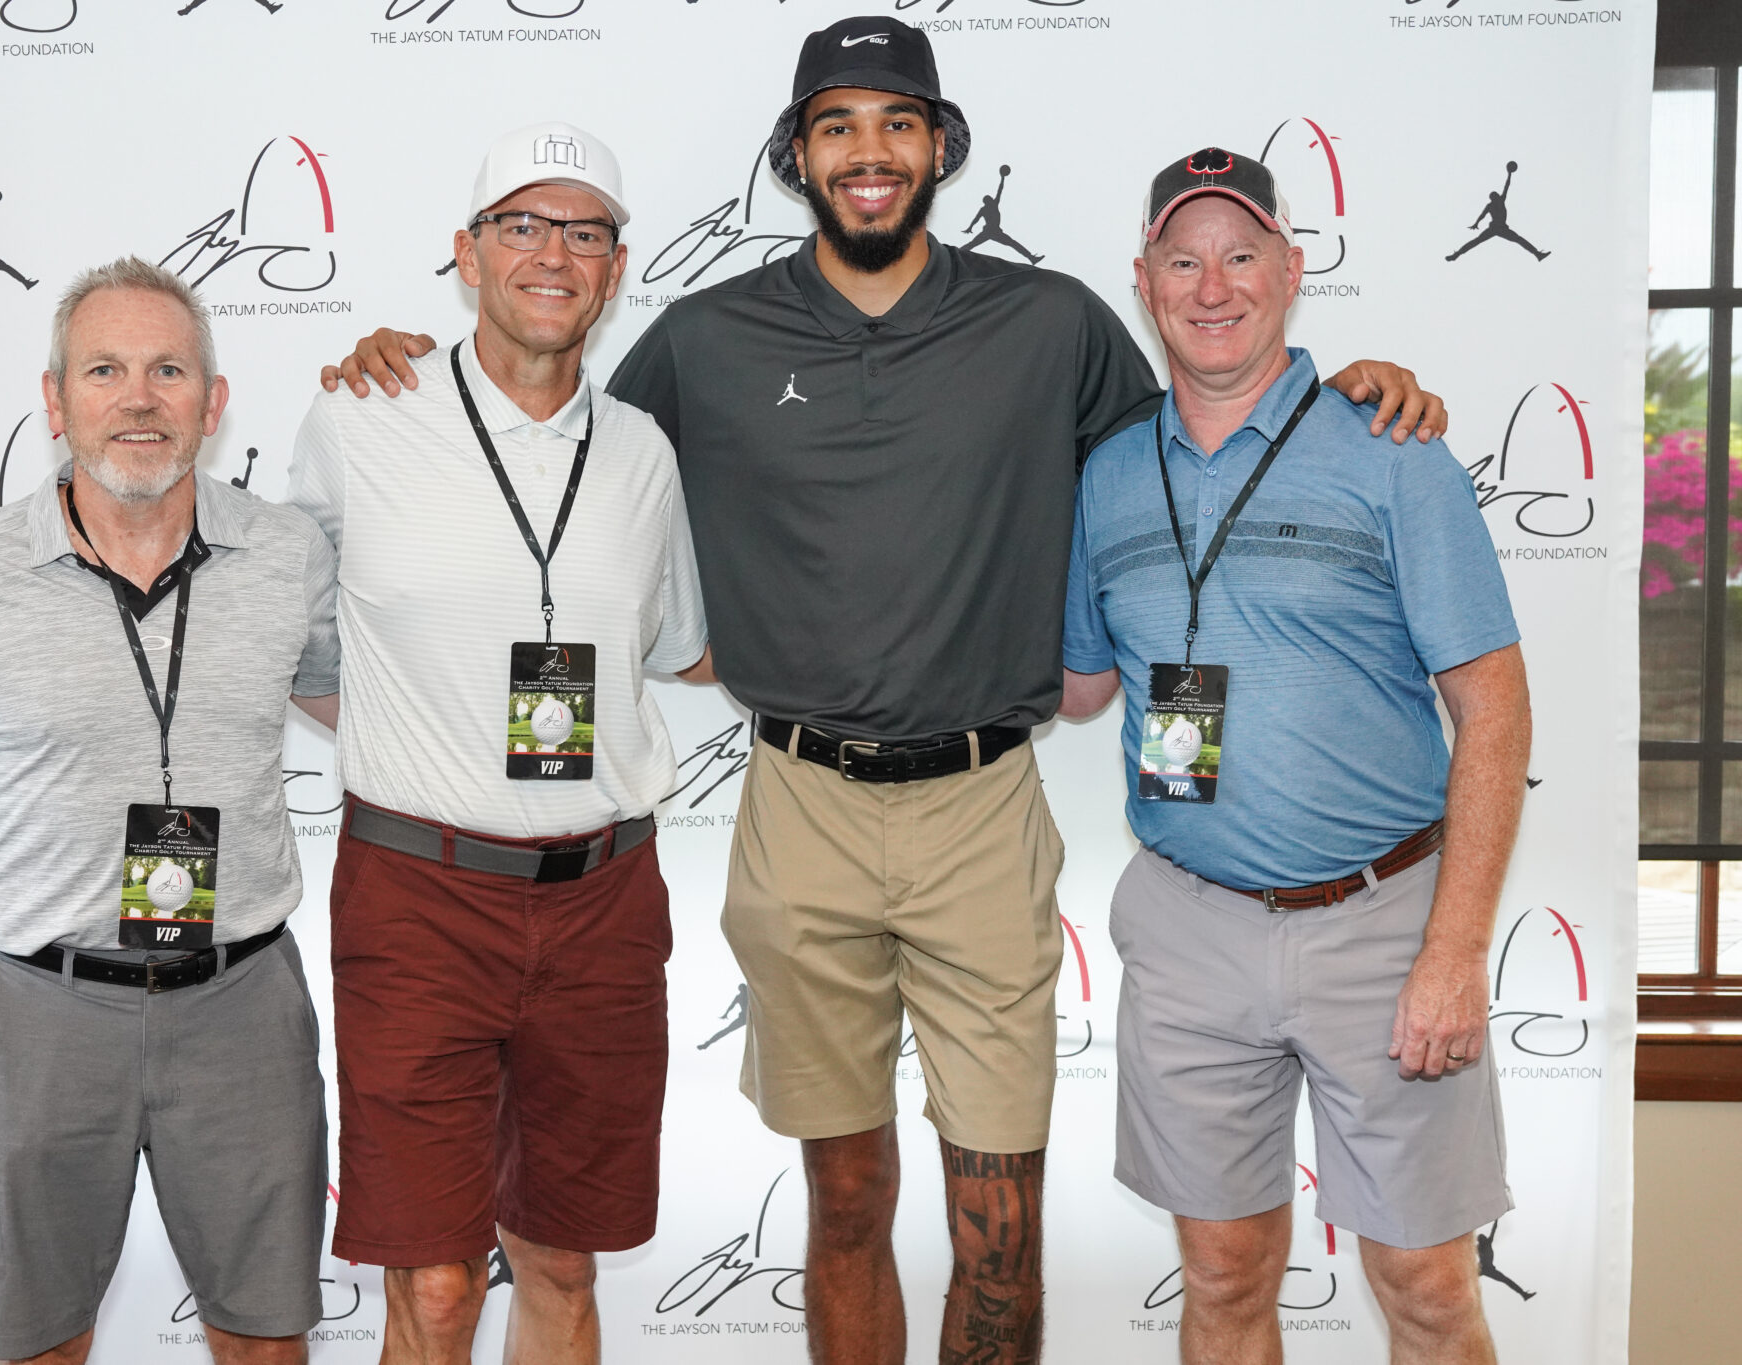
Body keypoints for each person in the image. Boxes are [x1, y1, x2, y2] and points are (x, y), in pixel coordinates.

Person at [319, 20, 1445, 1362]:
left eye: (898, 122)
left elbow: (1201, 440)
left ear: (938, 149)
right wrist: (400, 373)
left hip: (981, 802)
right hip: (797, 807)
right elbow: (558, 440)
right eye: (839, 123)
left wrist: (1358, 391)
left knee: (999, 1217)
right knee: (845, 1198)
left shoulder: (1049, 324)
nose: (870, 151)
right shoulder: (703, 338)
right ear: (798, 153)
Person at [1060, 148, 1530, 1365]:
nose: (1211, 286)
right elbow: (1075, 685)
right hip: (1185, 924)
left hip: (1381, 923)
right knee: (1219, 1277)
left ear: (1290, 269)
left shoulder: (1390, 447)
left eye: (1239, 254)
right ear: (1142, 280)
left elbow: (1494, 712)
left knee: (1423, 1283)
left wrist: (1453, 952)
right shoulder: (1106, 477)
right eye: (1181, 258)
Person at [0, 257, 340, 1365]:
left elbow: (361, 693)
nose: (139, 397)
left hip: (242, 1007)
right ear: (53, 398)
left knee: (268, 1341)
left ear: (213, 405)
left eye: (169, 370)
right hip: (36, 1013)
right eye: (105, 369)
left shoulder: (284, 555)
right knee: (33, 1345)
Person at [284, 123, 709, 1365]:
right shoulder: (360, 417)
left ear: (617, 268)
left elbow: (676, 645)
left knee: (564, 1269)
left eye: (584, 232)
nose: (551, 254)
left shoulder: (640, 453)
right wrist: (435, 752)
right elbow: (306, 655)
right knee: (431, 1287)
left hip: (604, 902)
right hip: (418, 900)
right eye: (520, 225)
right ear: (465, 254)